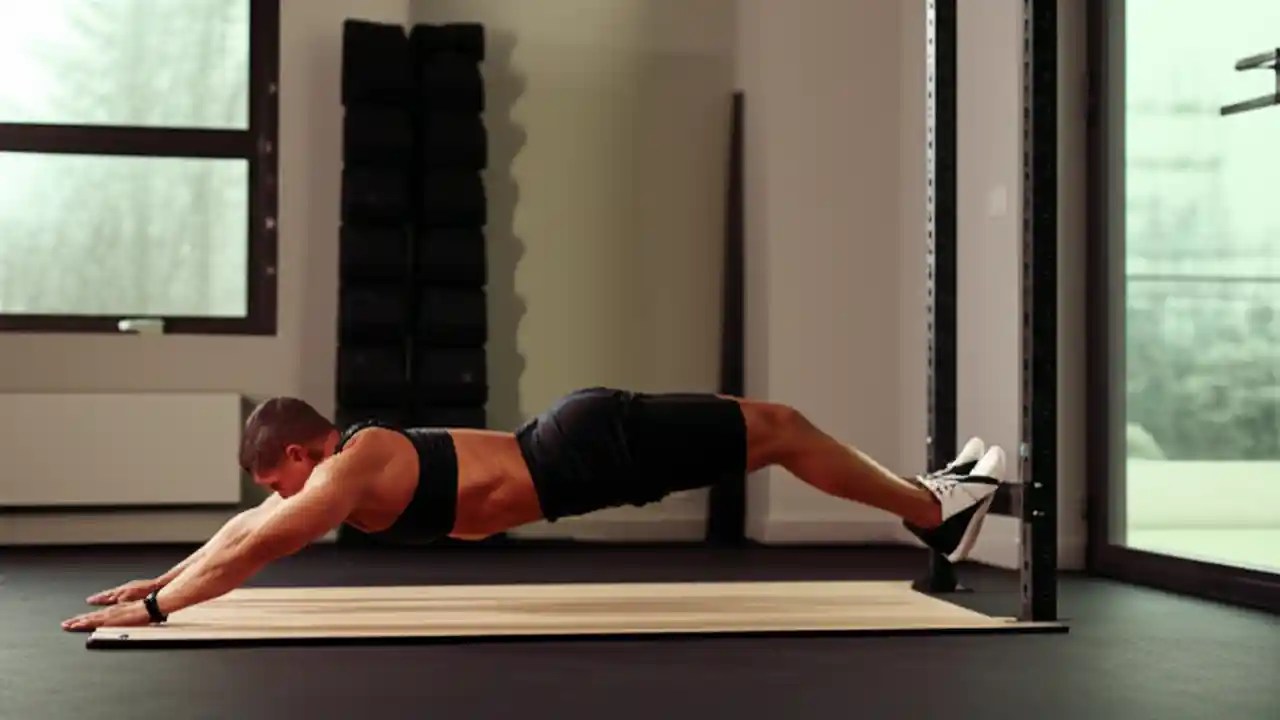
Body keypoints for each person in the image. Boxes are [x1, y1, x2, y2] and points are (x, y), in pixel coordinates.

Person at [61, 387, 1005, 632]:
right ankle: (930, 501)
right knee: (774, 430)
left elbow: (257, 547)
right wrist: (163, 579)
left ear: (305, 454)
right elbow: (242, 533)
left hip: (580, 448)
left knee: (780, 427)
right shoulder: (340, 469)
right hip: (575, 461)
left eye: (279, 481)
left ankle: (929, 507)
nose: (276, 503)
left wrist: (154, 611)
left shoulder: (354, 466)